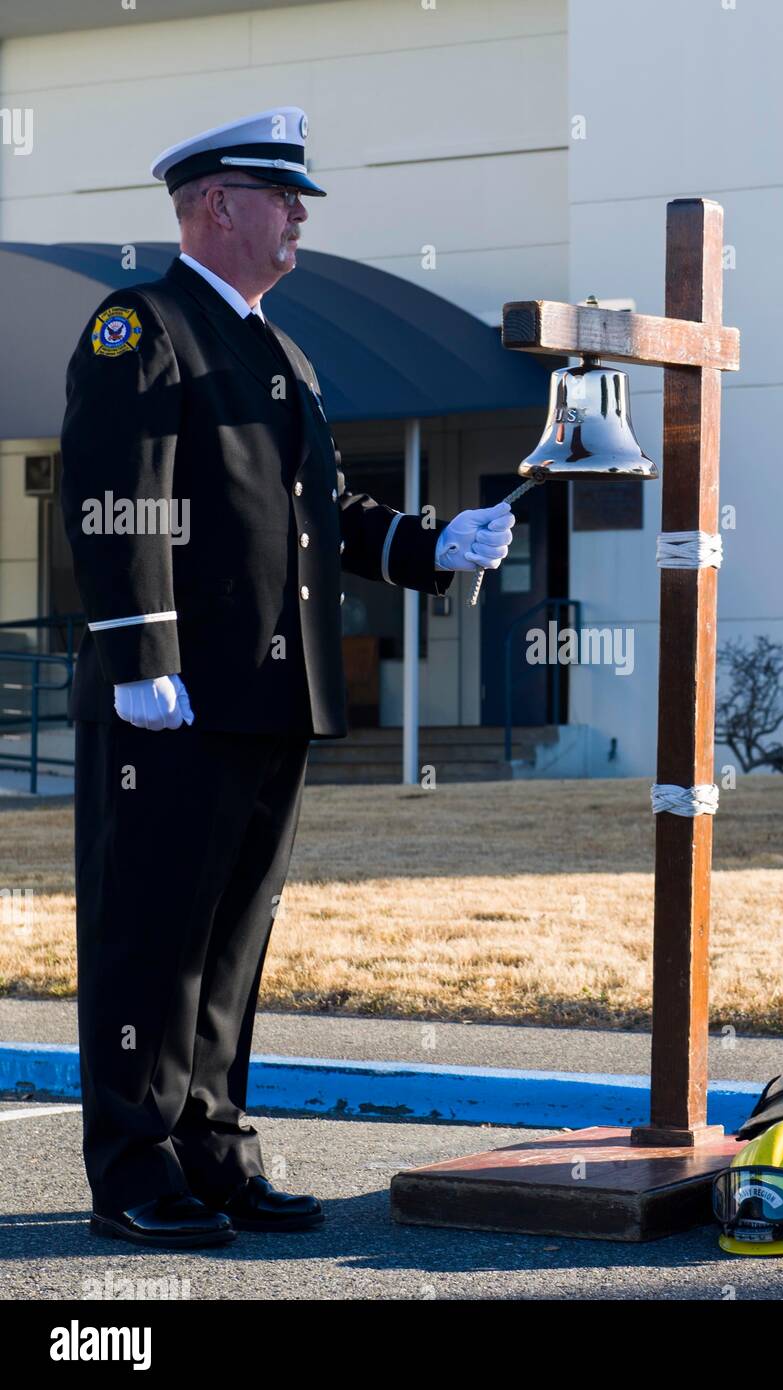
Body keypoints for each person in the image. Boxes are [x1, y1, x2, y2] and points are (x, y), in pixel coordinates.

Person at [59, 106, 513, 1248]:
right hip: (174, 697)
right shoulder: (143, 327)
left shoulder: (280, 349)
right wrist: (140, 655)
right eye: (281, 194)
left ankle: (213, 1147)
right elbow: (116, 498)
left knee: (231, 936)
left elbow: (320, 514)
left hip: (269, 693)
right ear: (215, 203)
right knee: (150, 933)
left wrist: (425, 545)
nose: (299, 214)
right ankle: (135, 1165)